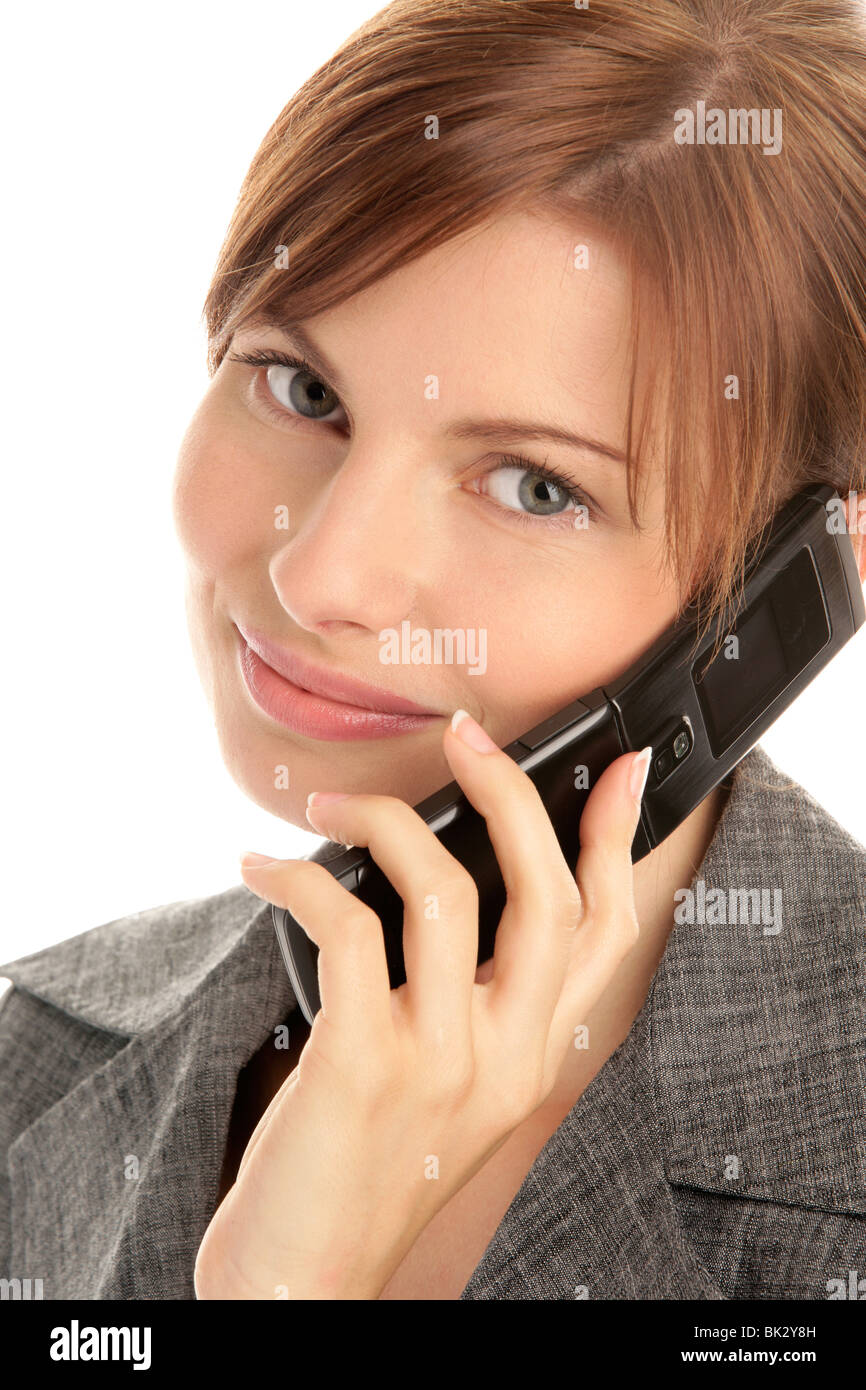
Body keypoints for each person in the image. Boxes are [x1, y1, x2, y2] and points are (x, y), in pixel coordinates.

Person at [1, 0, 865, 1301]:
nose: (320, 573)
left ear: (792, 583)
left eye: (531, 485)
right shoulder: (39, 1054)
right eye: (304, 388)